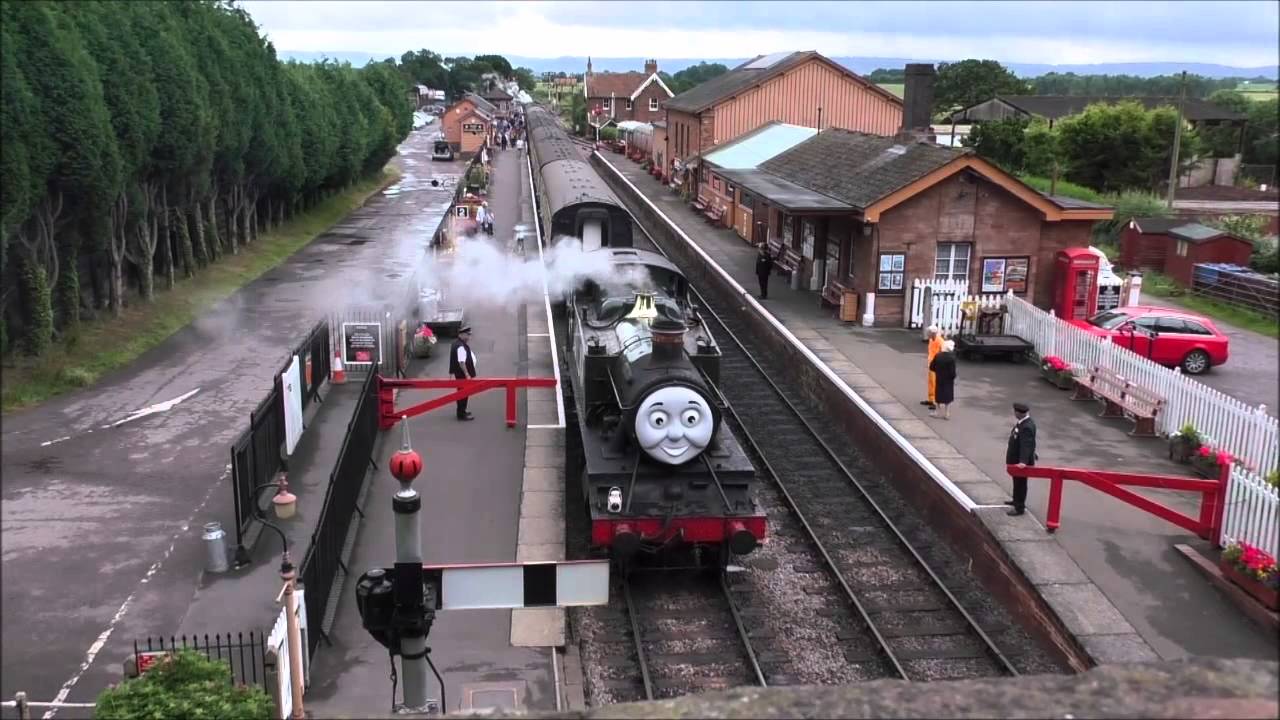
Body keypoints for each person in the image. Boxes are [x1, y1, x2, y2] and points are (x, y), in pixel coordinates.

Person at [1005, 402, 1037, 516]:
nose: (1014, 413)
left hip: (1020, 462)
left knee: (1020, 484)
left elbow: (1026, 444)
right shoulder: (1023, 423)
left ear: (1019, 413)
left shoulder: (1026, 426)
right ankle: (1015, 500)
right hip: (1015, 459)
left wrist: (1023, 461)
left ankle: (1019, 507)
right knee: (1016, 481)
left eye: (1015, 412)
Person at [449, 326, 477, 421]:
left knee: (461, 393)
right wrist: (467, 374)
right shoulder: (460, 346)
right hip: (462, 375)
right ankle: (461, 414)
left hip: (459, 374)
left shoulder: (456, 343)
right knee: (463, 394)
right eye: (468, 335)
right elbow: (461, 362)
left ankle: (462, 411)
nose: (469, 337)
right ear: (462, 334)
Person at [929, 340, 957, 420]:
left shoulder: (938, 356)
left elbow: (931, 367)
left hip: (939, 377)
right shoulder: (952, 358)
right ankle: (947, 413)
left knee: (938, 394)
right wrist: (953, 377)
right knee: (947, 395)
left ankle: (937, 412)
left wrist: (938, 371)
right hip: (948, 380)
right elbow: (952, 372)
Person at [921, 326, 942, 410]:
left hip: (937, 365)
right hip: (931, 364)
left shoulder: (940, 341)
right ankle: (931, 399)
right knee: (930, 382)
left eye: (928, 332)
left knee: (935, 383)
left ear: (933, 333)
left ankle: (935, 402)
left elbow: (943, 353)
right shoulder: (931, 340)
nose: (927, 334)